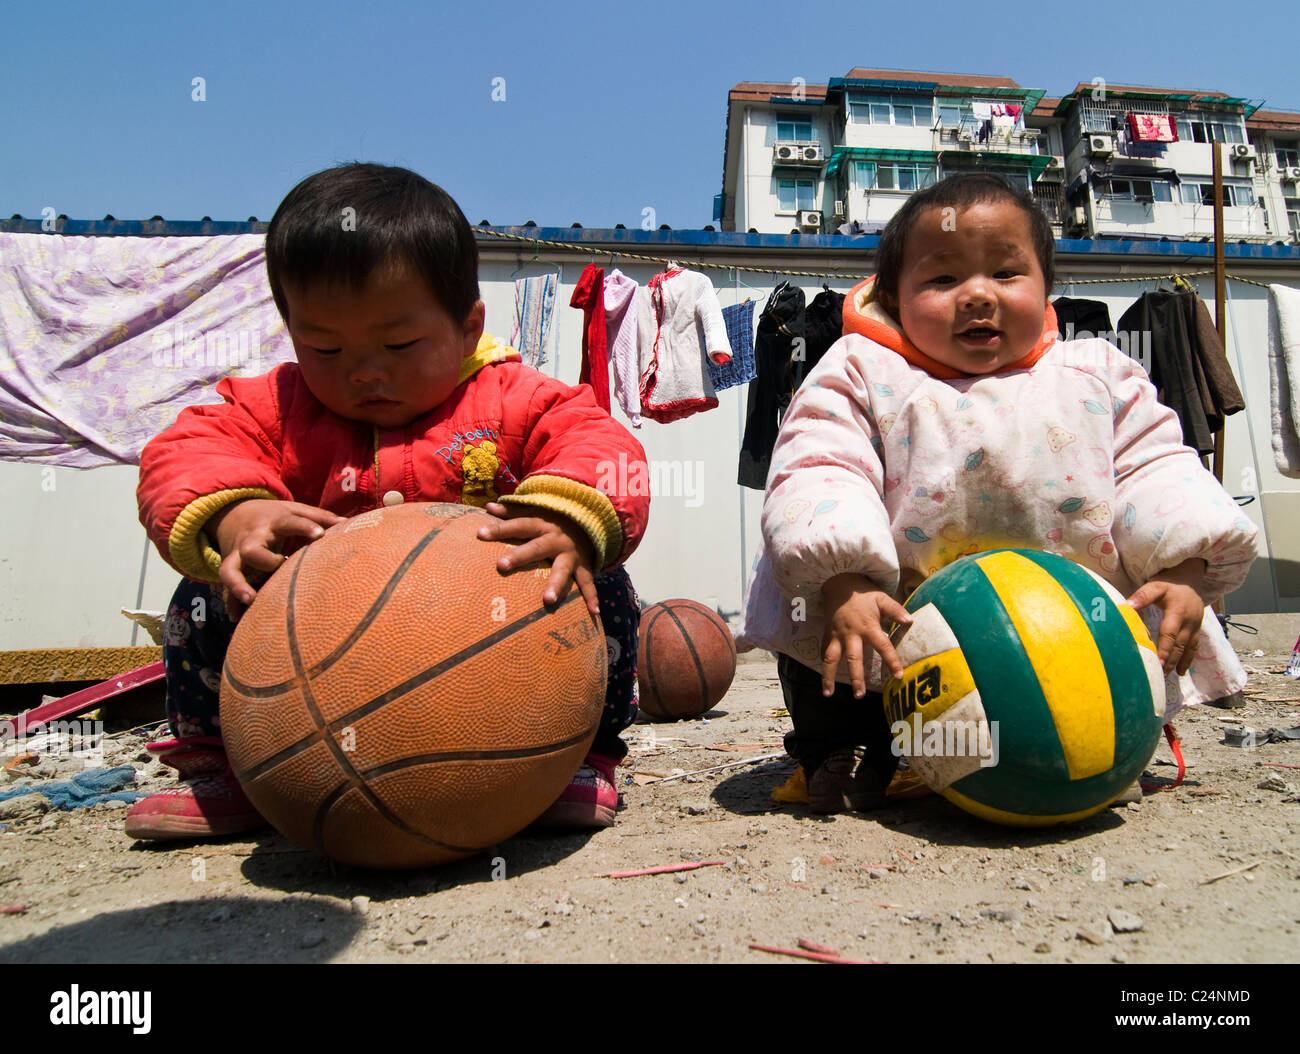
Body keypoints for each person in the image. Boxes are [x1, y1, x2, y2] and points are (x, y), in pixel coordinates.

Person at [128, 163, 650, 840]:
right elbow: (185, 448)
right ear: (291, 331)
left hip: (490, 638)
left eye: (399, 344)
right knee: (200, 596)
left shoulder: (512, 397)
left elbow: (600, 443)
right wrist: (236, 516)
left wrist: (563, 518)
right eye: (325, 345)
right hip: (307, 641)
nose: (364, 369)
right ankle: (228, 767)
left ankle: (577, 756)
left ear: (467, 327)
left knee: (598, 580)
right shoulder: (274, 406)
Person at [739, 173, 1257, 813]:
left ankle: (1095, 741)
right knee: (828, 637)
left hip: (1062, 631)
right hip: (889, 607)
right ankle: (845, 748)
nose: (977, 295)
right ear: (894, 298)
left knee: (1075, 689)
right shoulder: (861, 373)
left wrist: (1184, 561)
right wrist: (844, 573)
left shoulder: (1094, 374)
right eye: (942, 280)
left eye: (1007, 274)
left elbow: (1155, 464)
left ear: (1047, 290)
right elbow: (822, 465)